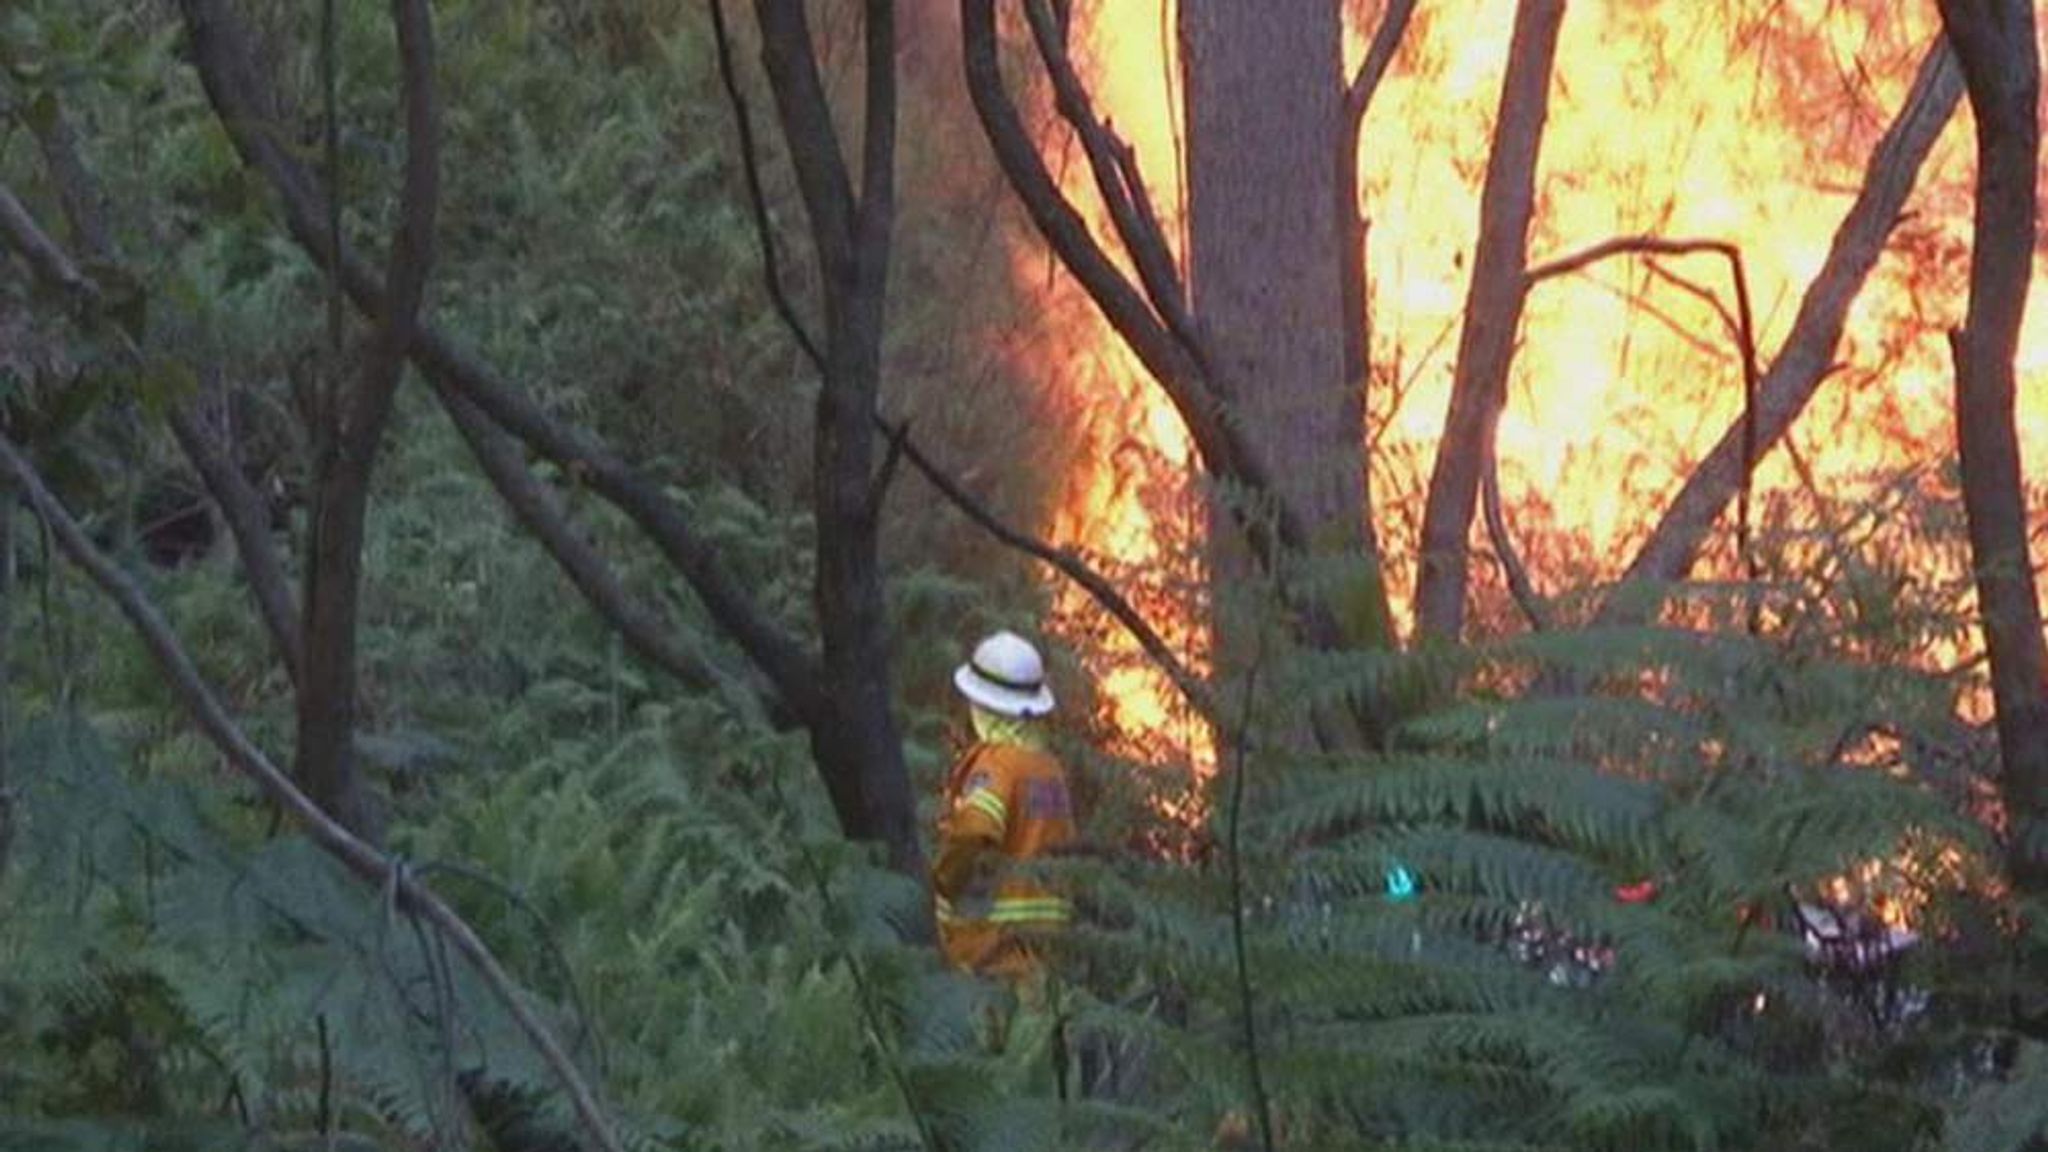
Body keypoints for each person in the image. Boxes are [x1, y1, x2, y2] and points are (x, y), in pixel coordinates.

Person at [931, 630, 1078, 1086]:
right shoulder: (1050, 771)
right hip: (1043, 956)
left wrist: (940, 881)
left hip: (989, 955)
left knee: (987, 1087)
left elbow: (976, 828)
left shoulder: (997, 765)